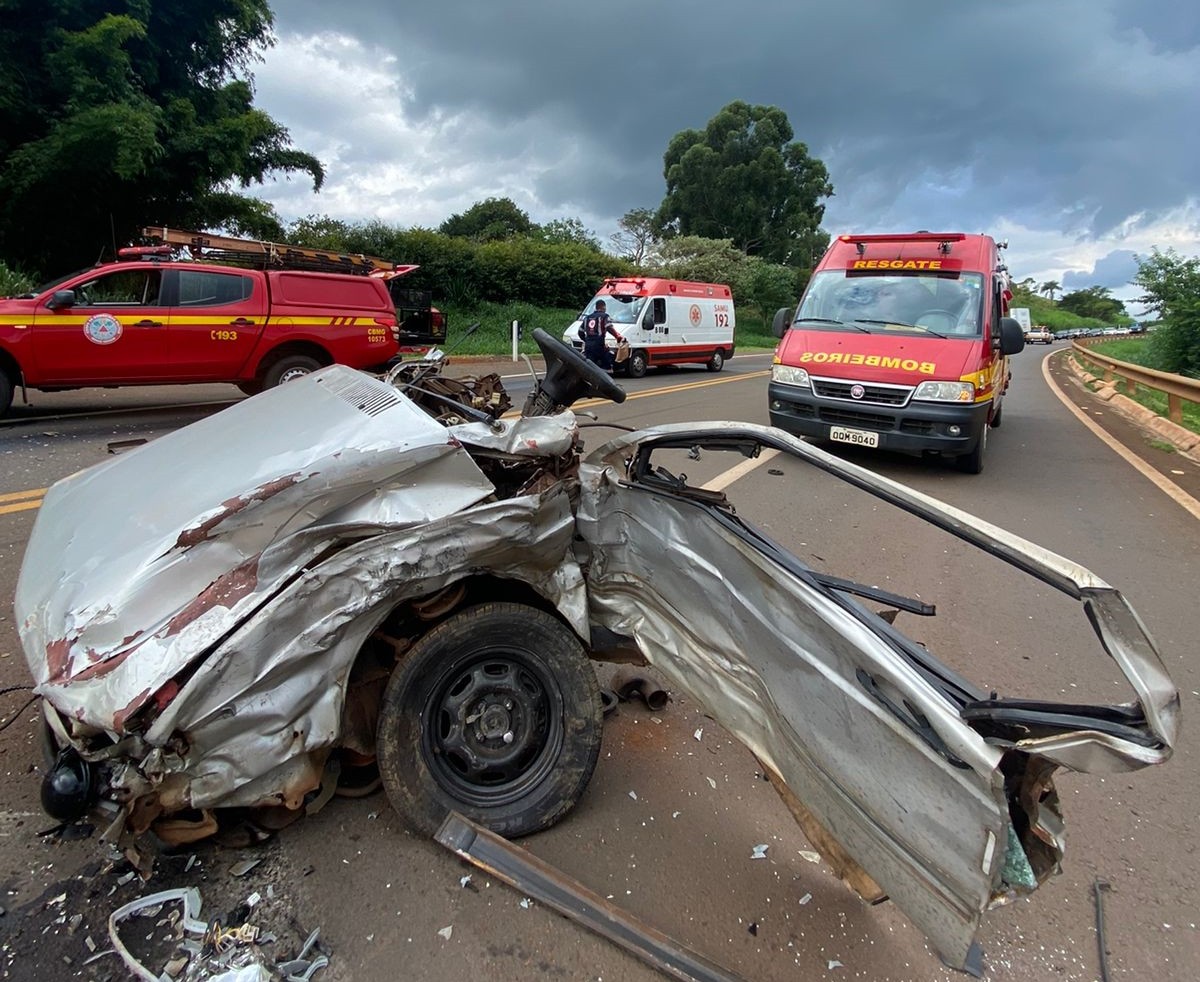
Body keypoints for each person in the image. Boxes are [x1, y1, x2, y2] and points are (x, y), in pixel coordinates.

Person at [578, 299, 626, 371]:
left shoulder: (587, 318)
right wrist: (617, 336)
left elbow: (580, 332)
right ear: (604, 308)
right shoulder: (604, 316)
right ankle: (606, 373)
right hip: (599, 344)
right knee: (607, 361)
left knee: (590, 365)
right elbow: (609, 327)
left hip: (588, 346)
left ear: (596, 307)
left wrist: (587, 340)